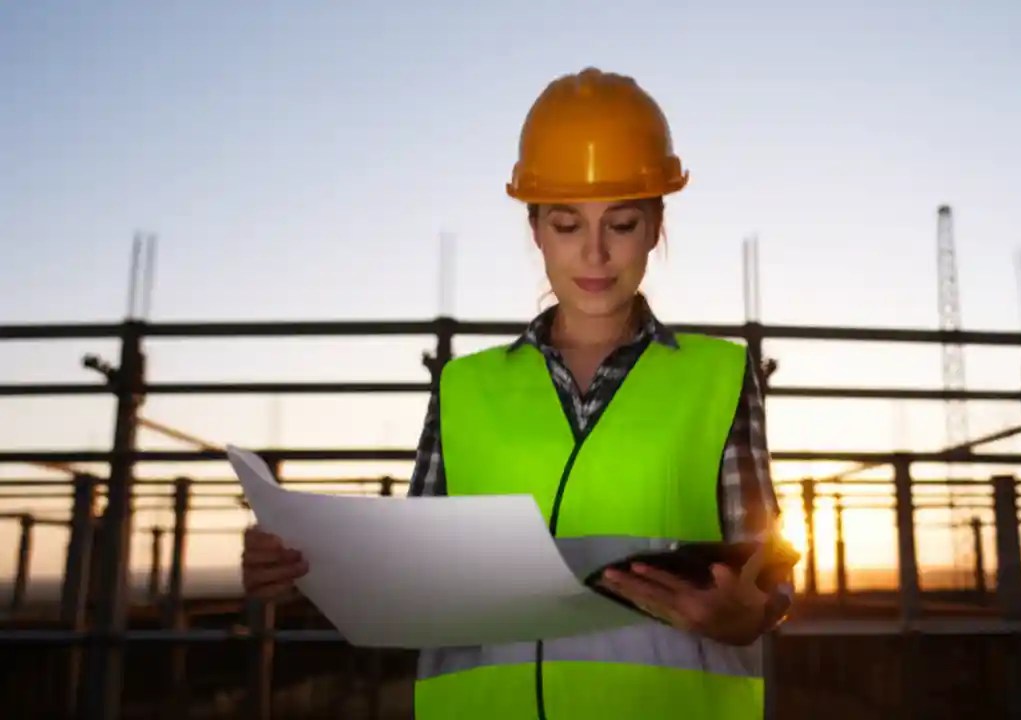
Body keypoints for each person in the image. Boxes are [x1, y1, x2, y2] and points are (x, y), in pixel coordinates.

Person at [242, 66, 791, 719]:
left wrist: (751, 613)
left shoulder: (718, 377)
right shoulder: (464, 389)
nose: (594, 254)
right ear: (534, 229)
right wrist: (300, 567)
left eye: (620, 224)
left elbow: (768, 570)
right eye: (566, 225)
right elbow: (409, 578)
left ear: (655, 225)